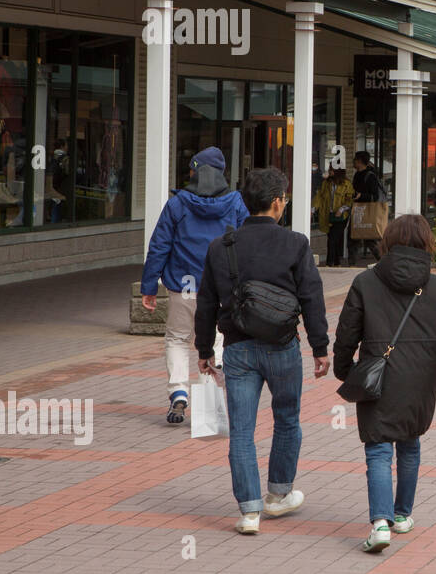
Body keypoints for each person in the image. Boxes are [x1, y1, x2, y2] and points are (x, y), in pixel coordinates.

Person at [194, 167, 329, 535]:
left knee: (242, 430)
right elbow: (311, 297)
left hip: (237, 349)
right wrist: (320, 346)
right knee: (287, 419)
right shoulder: (296, 243)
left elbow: (206, 302)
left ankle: (249, 512)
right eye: (284, 198)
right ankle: (278, 495)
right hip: (283, 347)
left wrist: (204, 348)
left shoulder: (221, 247)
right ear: (275, 203)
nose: (284, 204)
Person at [332, 213, 436, 552]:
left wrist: (344, 369)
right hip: (421, 377)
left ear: (387, 242)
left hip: (377, 375)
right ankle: (402, 515)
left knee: (379, 448)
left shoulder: (365, 282)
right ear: (426, 243)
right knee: (409, 442)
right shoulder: (435, 284)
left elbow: (346, 332)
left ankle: (379, 524)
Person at [141, 146, 250, 424]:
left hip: (182, 286)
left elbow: (159, 246)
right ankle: (207, 411)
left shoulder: (177, 204)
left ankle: (178, 391)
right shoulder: (236, 203)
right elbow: (248, 243)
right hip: (220, 288)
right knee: (214, 340)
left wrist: (149, 286)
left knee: (177, 338)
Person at [313, 166, 354, 267]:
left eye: (331, 170)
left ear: (337, 171)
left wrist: (341, 209)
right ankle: (337, 263)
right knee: (333, 239)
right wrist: (313, 208)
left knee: (332, 239)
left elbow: (349, 200)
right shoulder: (326, 183)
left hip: (341, 217)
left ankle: (329, 263)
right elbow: (319, 197)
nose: (329, 171)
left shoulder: (346, 184)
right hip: (328, 215)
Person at [349, 151, 385, 265]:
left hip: (368, 211)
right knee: (353, 238)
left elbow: (375, 196)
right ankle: (352, 264)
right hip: (358, 210)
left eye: (355, 160)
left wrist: (361, 195)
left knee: (370, 239)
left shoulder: (370, 176)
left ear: (359, 161)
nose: (353, 162)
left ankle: (383, 262)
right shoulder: (357, 175)